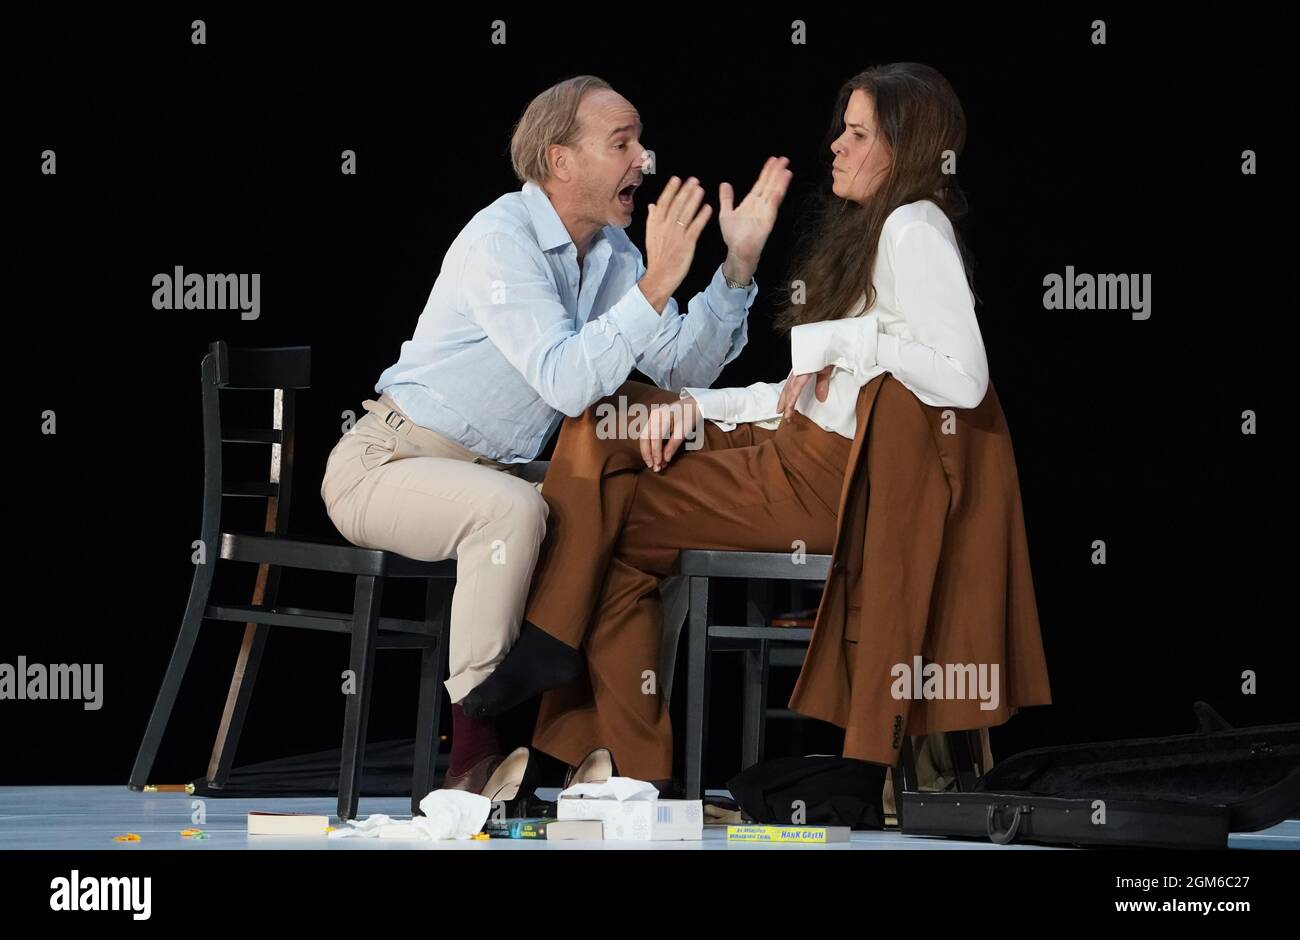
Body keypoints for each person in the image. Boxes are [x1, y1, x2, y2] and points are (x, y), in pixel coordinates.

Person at [465, 63, 1050, 791]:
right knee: (611, 481)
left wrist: (844, 342)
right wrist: (698, 406)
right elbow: (797, 395)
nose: (835, 144)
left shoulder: (912, 224)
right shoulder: (877, 230)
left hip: (828, 481)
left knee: (600, 470)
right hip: (793, 450)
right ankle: (623, 771)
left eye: (858, 132)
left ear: (906, 147)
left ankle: (559, 652)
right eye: (843, 128)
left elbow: (963, 377)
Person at [319, 74, 791, 794]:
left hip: (501, 470)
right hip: (389, 461)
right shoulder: (499, 240)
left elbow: (678, 369)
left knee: (642, 508)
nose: (645, 159)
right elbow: (565, 380)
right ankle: (472, 756)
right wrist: (657, 283)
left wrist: (736, 268)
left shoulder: (611, 255)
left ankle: (596, 749)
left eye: (641, 142)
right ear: (560, 159)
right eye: (622, 143)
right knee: (511, 511)